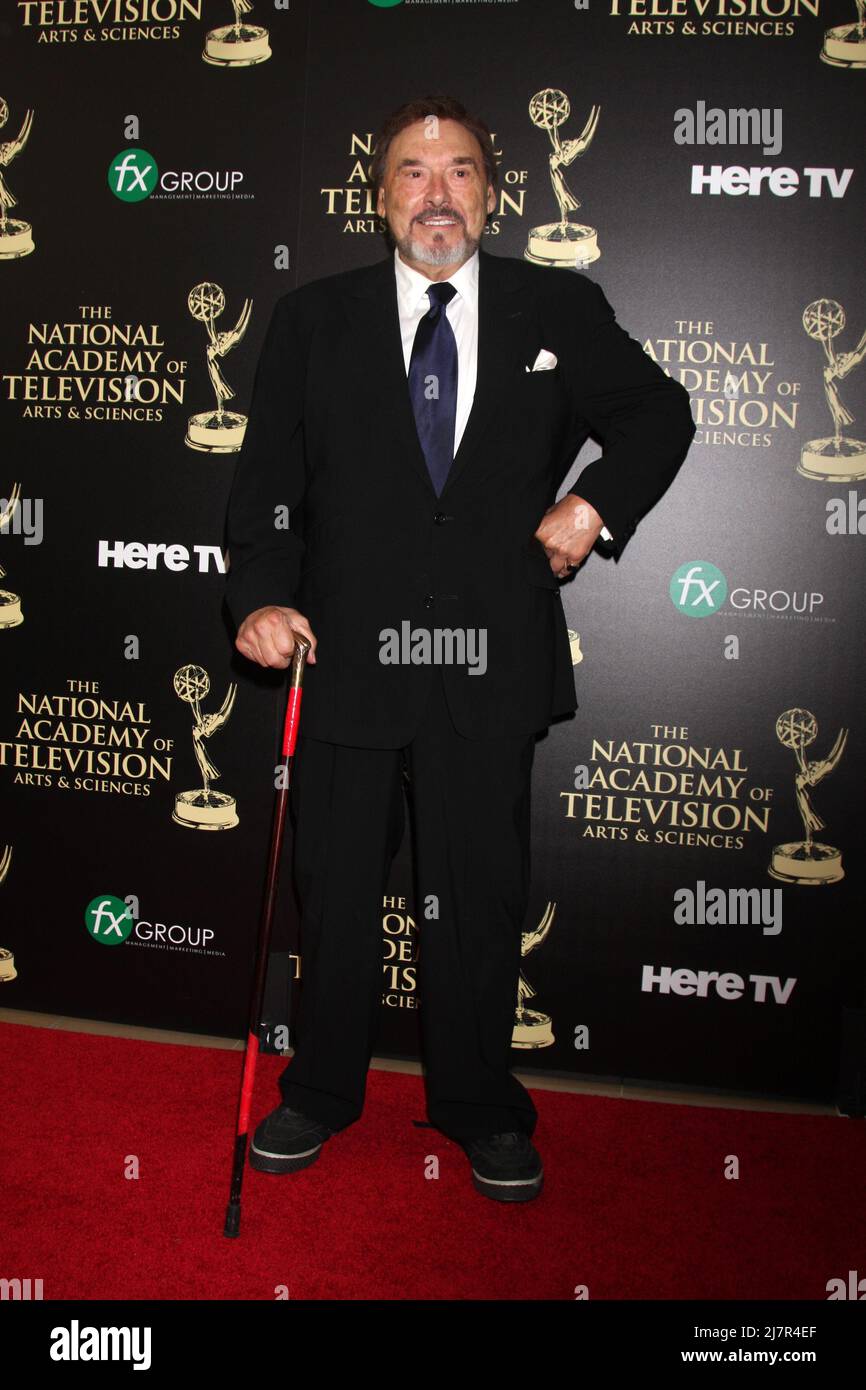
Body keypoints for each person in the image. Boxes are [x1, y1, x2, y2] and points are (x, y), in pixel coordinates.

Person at [223, 95, 695, 1203]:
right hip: (343, 658)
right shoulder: (312, 318)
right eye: (411, 172)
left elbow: (658, 413)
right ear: (378, 193)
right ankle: (321, 1090)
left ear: (489, 190)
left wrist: (592, 509)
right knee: (335, 892)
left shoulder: (555, 304)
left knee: (478, 895)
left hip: (490, 660)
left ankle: (483, 1104)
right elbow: (266, 486)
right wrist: (258, 594)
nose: (436, 193)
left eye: (460, 171)